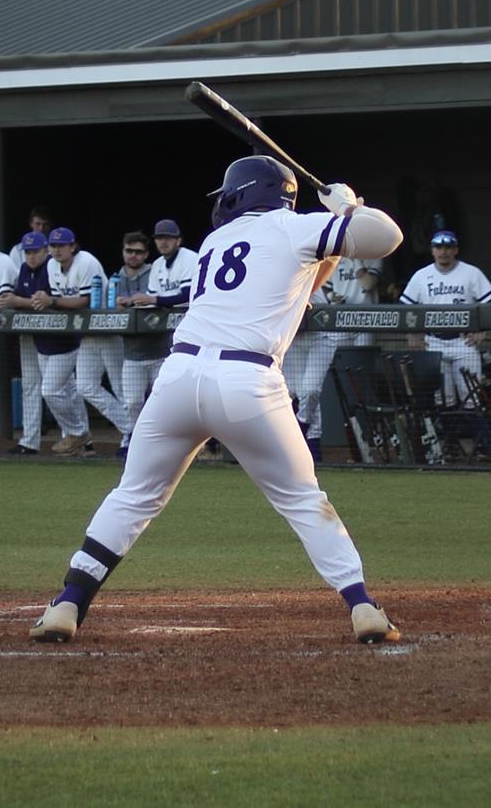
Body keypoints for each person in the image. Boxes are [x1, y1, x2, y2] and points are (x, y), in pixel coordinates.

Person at [27, 156, 406, 646]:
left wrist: (338, 228)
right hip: (247, 382)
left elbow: (302, 284)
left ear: (242, 194)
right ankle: (362, 607)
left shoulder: (216, 241)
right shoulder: (294, 226)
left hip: (179, 377)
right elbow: (388, 237)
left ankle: (67, 605)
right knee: (303, 500)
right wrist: (350, 210)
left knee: (134, 495)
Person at [284, 250, 382, 464]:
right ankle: (312, 448)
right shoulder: (278, 277)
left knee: (310, 390)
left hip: (321, 337)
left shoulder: (315, 272)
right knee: (292, 393)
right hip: (294, 342)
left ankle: (300, 431)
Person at [0, 230, 80, 454]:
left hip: (61, 340)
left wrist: (19, 301)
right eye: (28, 252)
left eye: (36, 251)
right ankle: (30, 441)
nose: (31, 256)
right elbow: (23, 299)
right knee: (34, 387)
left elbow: (51, 302)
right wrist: (12, 301)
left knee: (62, 389)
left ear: (46, 251)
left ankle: (77, 436)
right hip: (33, 337)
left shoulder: (51, 269)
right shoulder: (24, 269)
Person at [398, 230, 491, 407]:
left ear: (456, 250)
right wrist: (412, 334)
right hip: (433, 341)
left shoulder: (471, 272)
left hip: (463, 341)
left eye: (448, 247)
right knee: (443, 398)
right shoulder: (421, 275)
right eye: (439, 247)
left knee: (471, 396)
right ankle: (448, 435)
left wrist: (482, 329)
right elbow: (405, 308)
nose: (443, 251)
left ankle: (476, 435)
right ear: (432, 251)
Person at [48, 228, 128, 452]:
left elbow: (82, 301)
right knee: (85, 386)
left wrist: (52, 302)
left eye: (61, 245)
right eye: (53, 246)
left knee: (122, 388)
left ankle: (130, 436)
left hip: (107, 329)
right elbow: (65, 302)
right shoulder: (51, 265)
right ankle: (130, 429)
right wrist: (55, 302)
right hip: (86, 334)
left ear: (72, 246)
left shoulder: (86, 261)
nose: (56, 249)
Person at [108, 232, 166, 459]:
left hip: (160, 349)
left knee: (161, 401)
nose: (133, 256)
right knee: (132, 402)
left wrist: (134, 301)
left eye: (139, 252)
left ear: (146, 254)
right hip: (132, 352)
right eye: (129, 251)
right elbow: (105, 310)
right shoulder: (115, 278)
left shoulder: (156, 272)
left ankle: (160, 444)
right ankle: (132, 440)